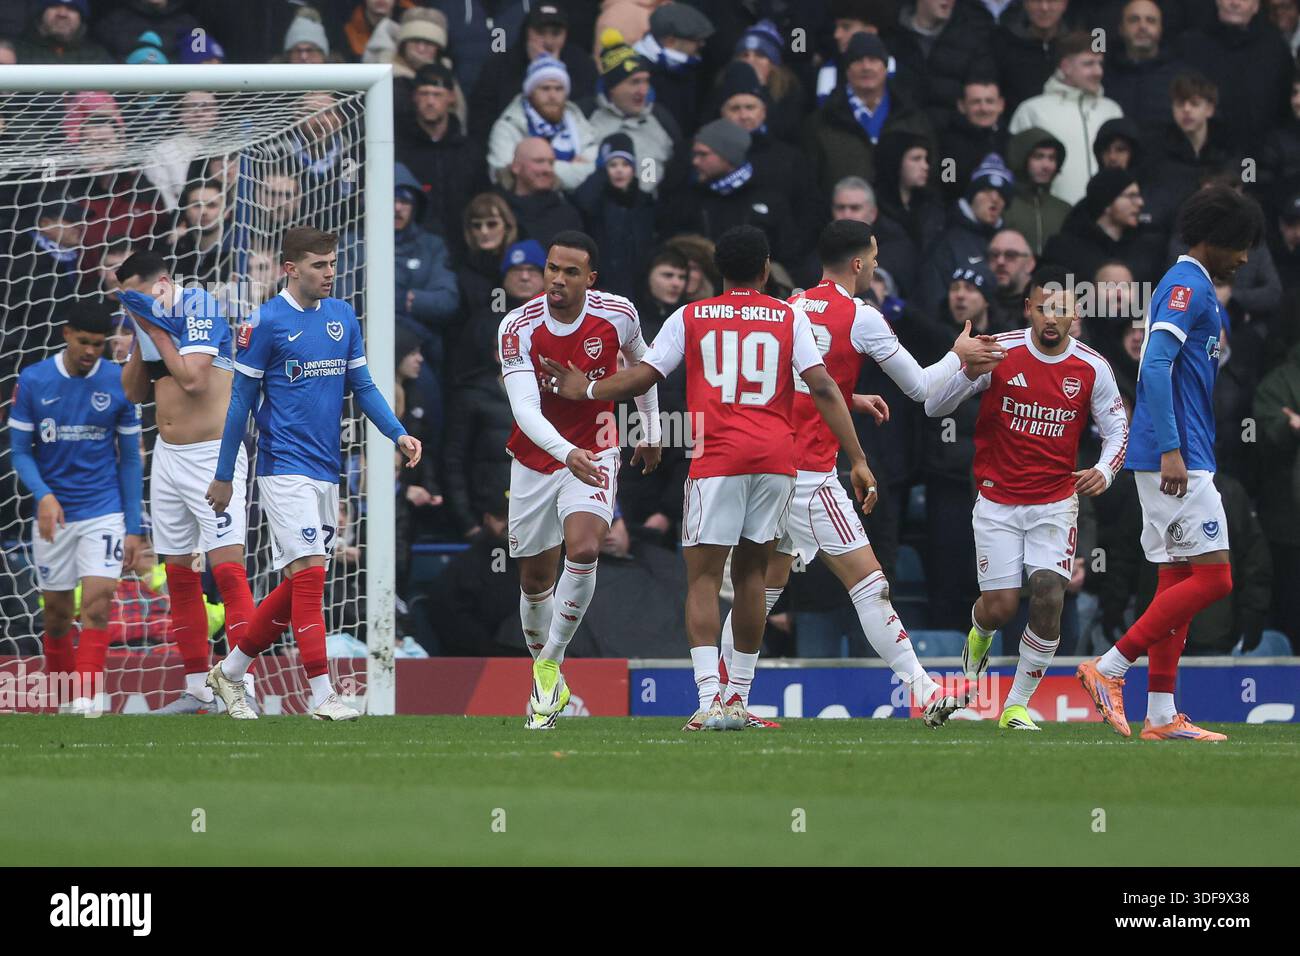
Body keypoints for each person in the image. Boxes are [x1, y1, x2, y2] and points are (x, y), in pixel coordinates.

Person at [542, 226, 872, 731]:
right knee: (752, 579)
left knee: (701, 577)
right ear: (765, 270)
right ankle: (738, 700)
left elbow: (646, 374)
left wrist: (586, 389)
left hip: (717, 460)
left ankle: (708, 701)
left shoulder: (691, 316)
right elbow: (824, 386)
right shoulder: (788, 316)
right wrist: (858, 459)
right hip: (777, 461)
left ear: (719, 271)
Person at [715, 219, 1004, 726]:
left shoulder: (792, 306)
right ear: (856, 263)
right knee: (871, 585)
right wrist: (957, 357)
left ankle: (726, 697)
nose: (875, 265)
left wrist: (849, 396)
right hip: (810, 474)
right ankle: (926, 691)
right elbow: (922, 390)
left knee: (764, 586)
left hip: (771, 469)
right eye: (872, 257)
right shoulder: (861, 316)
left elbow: (793, 384)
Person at [205, 227, 422, 720]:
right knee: (311, 576)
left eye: (333, 263)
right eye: (320, 265)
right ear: (291, 269)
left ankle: (232, 670)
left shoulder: (342, 316)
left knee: (300, 583)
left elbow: (363, 386)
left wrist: (397, 433)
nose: (330, 273)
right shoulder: (265, 323)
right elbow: (240, 403)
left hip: (326, 471)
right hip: (283, 468)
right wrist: (224, 474)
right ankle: (322, 695)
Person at [1077, 184, 1265, 741]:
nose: (1246, 257)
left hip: (1179, 452)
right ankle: (1109, 667)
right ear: (1214, 240)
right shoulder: (1185, 286)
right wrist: (1171, 449)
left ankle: (1160, 714)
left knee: (1176, 579)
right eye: (1241, 245)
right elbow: (1154, 366)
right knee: (1216, 577)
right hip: (1175, 457)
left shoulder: (1195, 284)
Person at [925, 266, 1128, 730]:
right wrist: (962, 367)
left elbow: (1118, 429)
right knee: (1000, 608)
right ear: (1028, 309)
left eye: (1060, 309)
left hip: (1055, 502)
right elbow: (935, 405)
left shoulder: (1093, 368)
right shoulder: (1000, 351)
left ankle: (1015, 706)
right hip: (997, 500)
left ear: (1076, 312)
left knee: (1048, 594)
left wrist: (1103, 469)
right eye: (1042, 308)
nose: (1051, 318)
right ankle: (979, 637)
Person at [495, 231, 660, 729]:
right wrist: (566, 453)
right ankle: (545, 672)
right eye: (551, 269)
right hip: (535, 459)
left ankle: (551, 663)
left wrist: (650, 429)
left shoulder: (619, 314)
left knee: (586, 548)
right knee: (534, 579)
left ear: (590, 278)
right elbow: (524, 408)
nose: (557, 280)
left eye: (570, 272)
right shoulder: (517, 326)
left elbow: (643, 365)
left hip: (598, 449)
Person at [115, 251, 259, 714]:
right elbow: (134, 393)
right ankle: (197, 687)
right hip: (169, 456)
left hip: (212, 453)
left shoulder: (197, 305)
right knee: (178, 570)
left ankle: (241, 684)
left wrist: (153, 327)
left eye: (136, 295)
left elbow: (195, 380)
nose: (130, 304)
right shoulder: (148, 323)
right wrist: (141, 336)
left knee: (228, 568)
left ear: (161, 284)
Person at [9, 302, 144, 714]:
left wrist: (134, 525)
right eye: (84, 342)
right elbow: (19, 451)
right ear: (67, 334)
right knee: (56, 615)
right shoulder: (34, 380)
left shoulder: (118, 381)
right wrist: (43, 495)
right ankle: (61, 699)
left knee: (98, 605)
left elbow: (131, 459)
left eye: (99, 345)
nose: (91, 351)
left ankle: (86, 700)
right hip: (55, 514)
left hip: (103, 510)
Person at [805, 30, 934, 193]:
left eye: (873, 60)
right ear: (847, 70)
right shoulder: (820, 122)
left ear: (885, 68)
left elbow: (932, 179)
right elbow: (810, 187)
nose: (866, 67)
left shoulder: (914, 120)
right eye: (858, 60)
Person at [1008, 30, 1125, 205]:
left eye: (1100, 64)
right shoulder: (1032, 110)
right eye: (1088, 64)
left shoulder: (1112, 110)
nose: (1098, 71)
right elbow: (1017, 171)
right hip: (1052, 216)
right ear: (1065, 67)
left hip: (1106, 216)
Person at [585, 29, 678, 194]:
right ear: (613, 88)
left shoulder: (660, 119)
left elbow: (654, 179)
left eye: (645, 82)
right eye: (634, 82)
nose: (643, 91)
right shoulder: (586, 117)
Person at [487, 55, 597, 192]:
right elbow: (505, 177)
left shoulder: (576, 119)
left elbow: (596, 170)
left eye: (559, 89)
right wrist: (571, 167)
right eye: (545, 88)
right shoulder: (508, 126)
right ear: (530, 92)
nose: (552, 95)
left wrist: (535, 168)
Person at [572, 133, 656, 300]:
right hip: (602, 285)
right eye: (612, 165)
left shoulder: (645, 202)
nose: (619, 170)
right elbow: (582, 203)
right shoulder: (595, 201)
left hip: (637, 285)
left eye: (625, 164)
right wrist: (599, 172)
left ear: (633, 168)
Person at [632, 2, 714, 135]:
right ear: (670, 41)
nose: (702, 44)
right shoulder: (638, 70)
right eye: (696, 40)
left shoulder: (688, 67)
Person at [1105, 0, 1182, 127]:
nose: (1142, 26)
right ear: (1121, 29)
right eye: (1134, 20)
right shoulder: (1104, 76)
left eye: (1150, 20)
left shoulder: (1180, 78)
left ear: (1160, 29)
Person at [496, 138, 584, 246]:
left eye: (551, 163)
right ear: (516, 167)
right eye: (539, 161)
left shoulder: (568, 216)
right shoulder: (495, 212)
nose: (548, 169)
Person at [938, 77, 1011, 204]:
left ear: (1001, 105)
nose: (983, 108)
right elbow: (946, 183)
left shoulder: (1012, 142)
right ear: (962, 106)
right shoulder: (947, 145)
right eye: (976, 102)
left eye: (989, 101)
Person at [1003, 127, 1070, 255]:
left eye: (1052, 158)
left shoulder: (1064, 210)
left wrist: (1069, 277)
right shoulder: (1004, 205)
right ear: (1022, 159)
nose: (1046, 165)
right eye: (1038, 157)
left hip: (1056, 275)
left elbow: (1071, 262)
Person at [15, 0, 113, 64]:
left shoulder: (97, 56)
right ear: (41, 14)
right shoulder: (17, 52)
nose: (62, 14)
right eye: (54, 6)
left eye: (72, 9)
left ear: (81, 18)